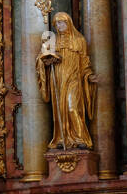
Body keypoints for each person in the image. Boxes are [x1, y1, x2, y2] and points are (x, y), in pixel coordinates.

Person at [35, 11, 97, 149]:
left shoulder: (79, 40)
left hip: (74, 79)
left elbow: (85, 63)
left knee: (72, 108)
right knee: (59, 110)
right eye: (57, 23)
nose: (59, 25)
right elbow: (41, 58)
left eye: (62, 22)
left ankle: (80, 138)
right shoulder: (53, 41)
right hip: (57, 80)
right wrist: (47, 59)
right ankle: (62, 138)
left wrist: (88, 75)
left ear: (68, 23)